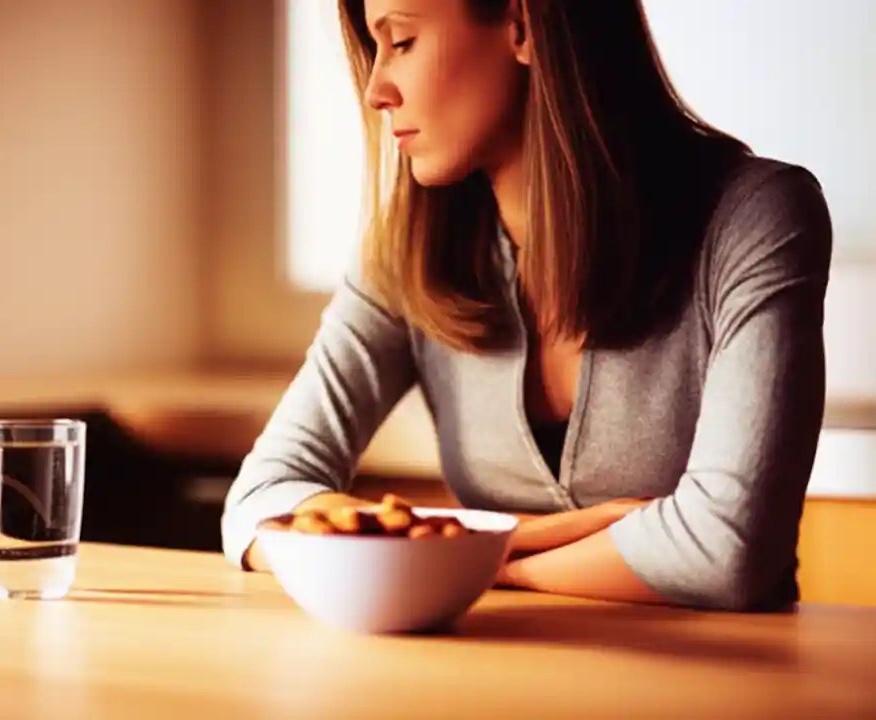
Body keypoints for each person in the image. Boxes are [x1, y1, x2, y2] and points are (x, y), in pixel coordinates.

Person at [221, 0, 832, 611]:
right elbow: (258, 502)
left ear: (523, 26)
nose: (378, 89)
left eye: (402, 41)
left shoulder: (757, 218)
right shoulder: (407, 255)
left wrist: (472, 561)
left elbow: (726, 550)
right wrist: (502, 541)